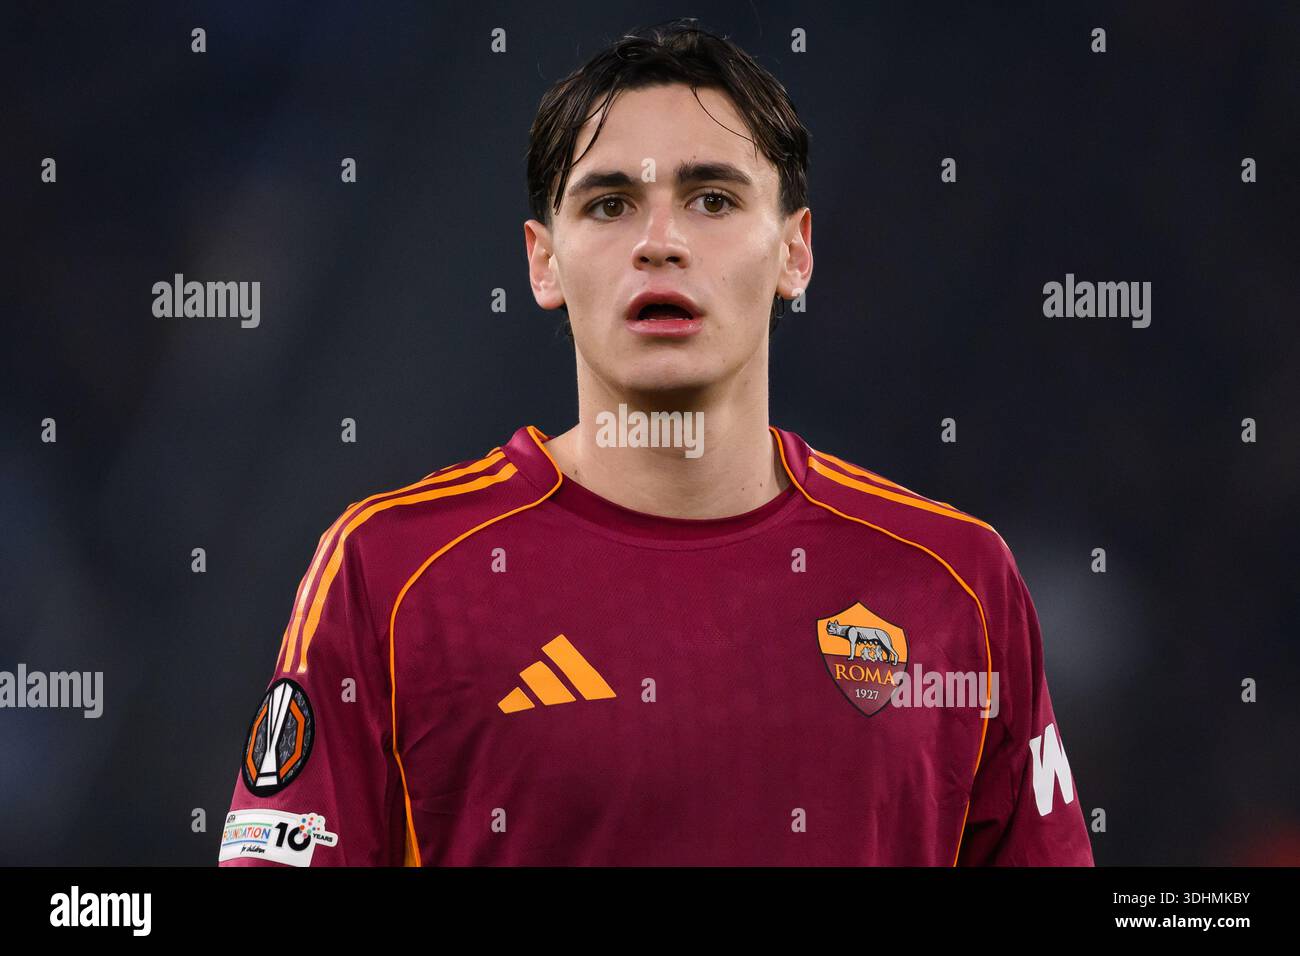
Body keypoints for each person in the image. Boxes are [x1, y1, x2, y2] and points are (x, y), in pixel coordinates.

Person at [218, 19, 1093, 866]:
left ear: (796, 250)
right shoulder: (390, 571)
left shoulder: (956, 583)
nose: (660, 243)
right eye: (610, 204)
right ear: (543, 262)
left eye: (712, 199)